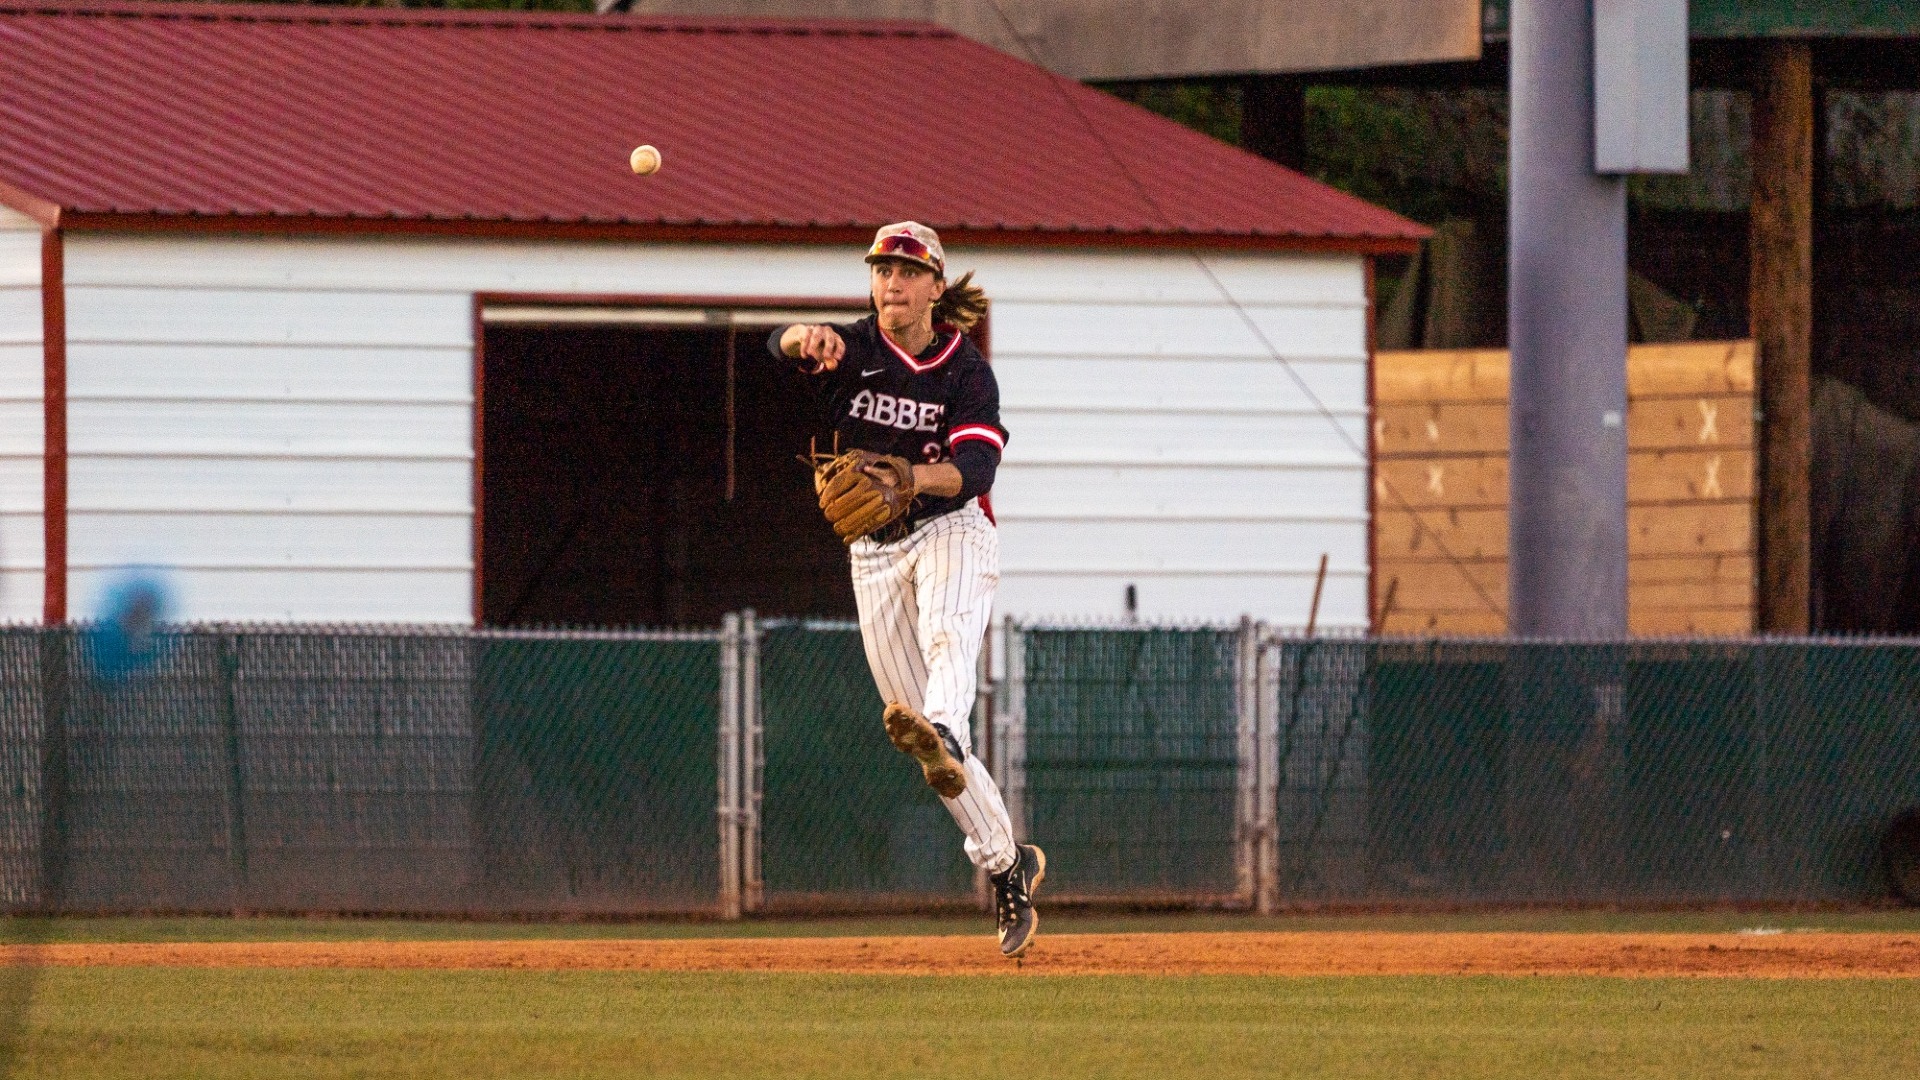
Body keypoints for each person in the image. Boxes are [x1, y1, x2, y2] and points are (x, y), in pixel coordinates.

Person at [769, 221, 1045, 957]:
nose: (890, 280)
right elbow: (779, 345)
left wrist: (910, 479)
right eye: (881, 269)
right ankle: (1008, 865)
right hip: (873, 552)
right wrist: (803, 336)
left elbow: (977, 472)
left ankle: (946, 723)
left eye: (905, 270)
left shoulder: (966, 371)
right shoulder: (853, 347)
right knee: (918, 738)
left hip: (953, 527)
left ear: (934, 286)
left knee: (947, 664)